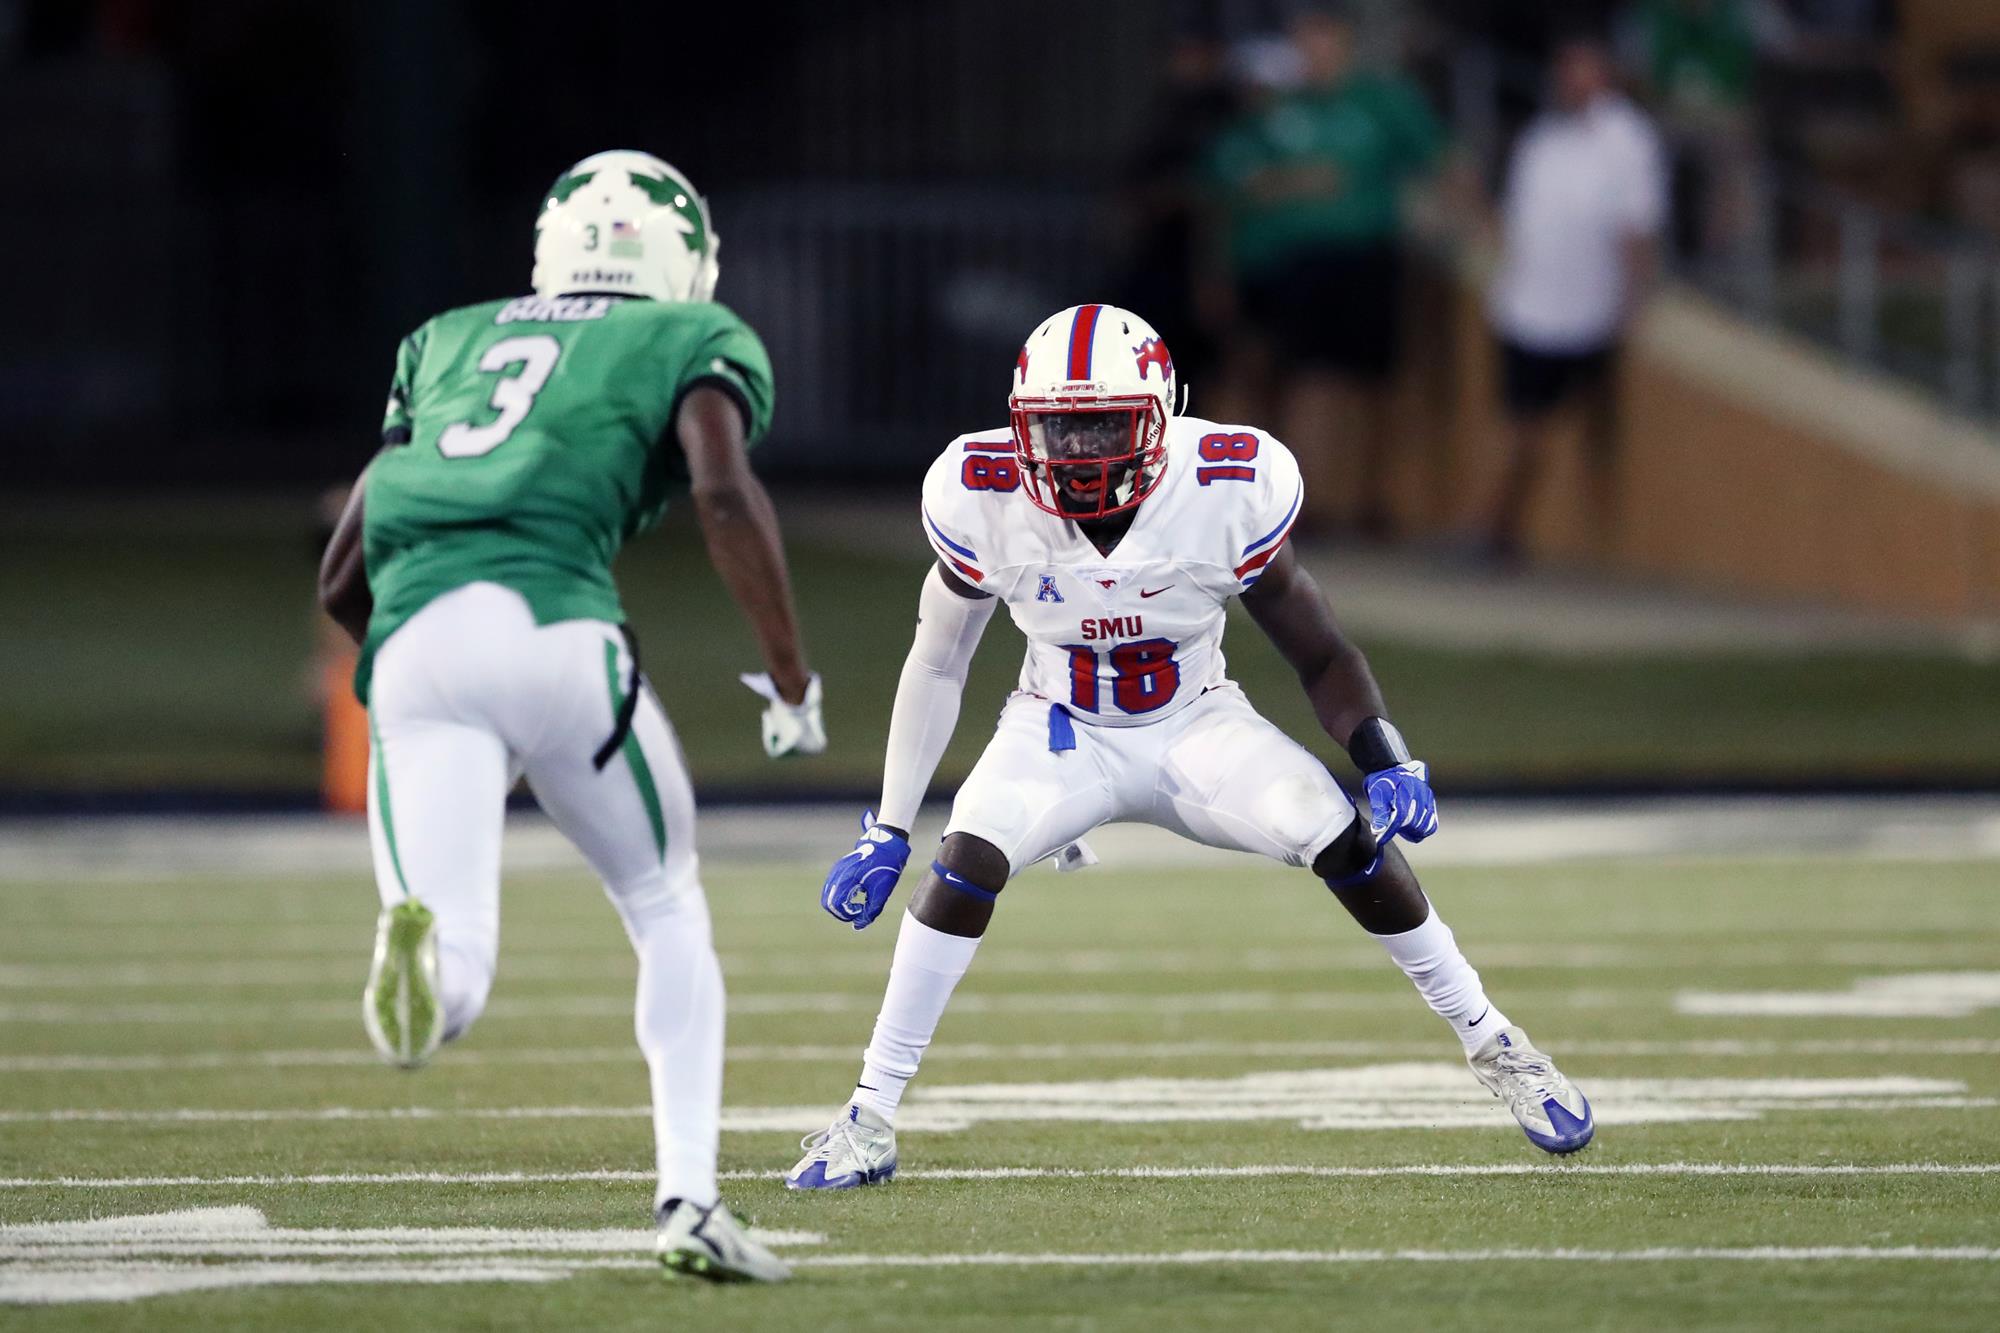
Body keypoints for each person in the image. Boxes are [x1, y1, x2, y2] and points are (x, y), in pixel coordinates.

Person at [782, 303, 1593, 1192]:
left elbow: (1321, 651)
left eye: (1102, 424)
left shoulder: (1223, 484)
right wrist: (890, 827)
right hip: (1057, 728)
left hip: (1198, 724)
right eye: (1058, 427)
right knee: (964, 856)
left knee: (1344, 834)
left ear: (1162, 417)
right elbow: (938, 660)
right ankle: (869, 1115)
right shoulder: (983, 491)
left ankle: (1496, 1042)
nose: (1080, 452)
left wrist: (1385, 756)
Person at [317, 150, 822, 1283]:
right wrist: (789, 674)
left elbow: (342, 569)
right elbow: (720, 486)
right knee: (662, 900)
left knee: (456, 964)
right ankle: (689, 1199)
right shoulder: (692, 336)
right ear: (682, 257)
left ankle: (421, 977)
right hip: (559, 632)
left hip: (414, 645)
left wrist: (426, 686)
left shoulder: (444, 337)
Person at [1204, 4, 1448, 537]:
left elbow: (1441, 162)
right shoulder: (1278, 113)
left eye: (1324, 36)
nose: (1314, 49)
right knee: (1307, 378)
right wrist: (1303, 183)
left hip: (1369, 261)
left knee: (1375, 384)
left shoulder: (1382, 101)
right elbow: (1236, 184)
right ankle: (1299, 504)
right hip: (1297, 266)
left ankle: (1366, 501)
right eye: (1304, 38)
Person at [1486, 37, 1667, 562]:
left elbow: (1637, 226)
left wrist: (1634, 303)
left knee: (1593, 437)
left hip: (1591, 312)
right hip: (1528, 308)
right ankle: (1500, 528)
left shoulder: (1628, 139)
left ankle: (1604, 544)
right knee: (1523, 426)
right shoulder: (1542, 139)